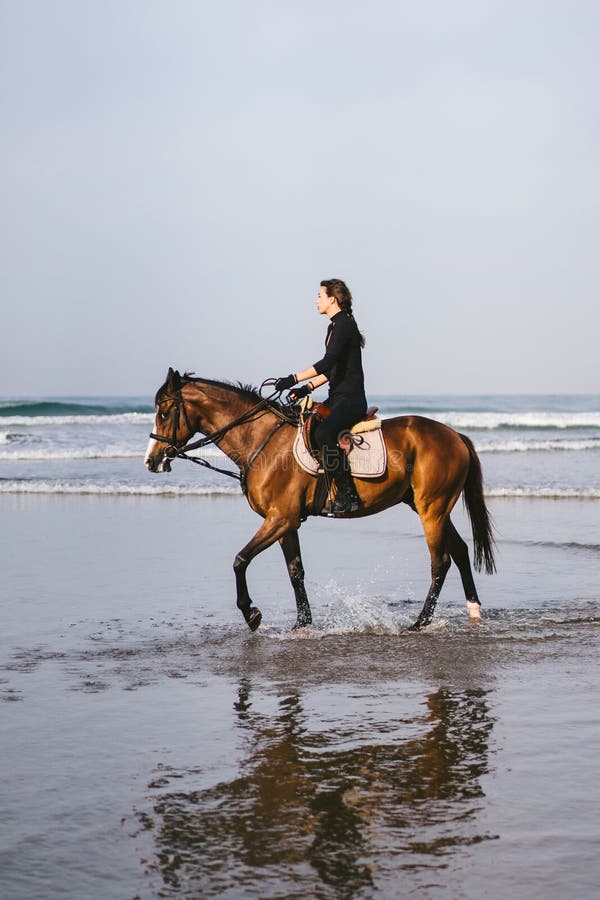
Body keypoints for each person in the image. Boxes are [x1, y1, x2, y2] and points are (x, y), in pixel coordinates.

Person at [274, 278, 367, 515]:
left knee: (323, 433)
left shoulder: (344, 325)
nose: (316, 300)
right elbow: (331, 370)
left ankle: (349, 495)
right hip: (337, 398)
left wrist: (293, 378)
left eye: (319, 295)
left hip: (351, 400)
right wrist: (306, 388)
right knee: (305, 424)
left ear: (332, 299)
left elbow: (326, 362)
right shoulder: (334, 327)